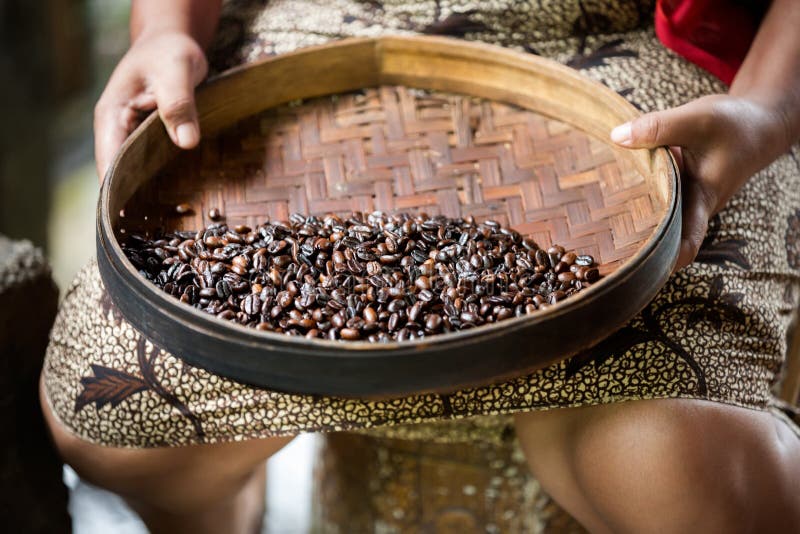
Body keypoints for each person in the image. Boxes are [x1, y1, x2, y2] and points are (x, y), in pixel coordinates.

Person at [42, 0, 800, 532]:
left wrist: (768, 110)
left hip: (649, 57)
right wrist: (165, 28)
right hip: (313, 35)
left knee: (689, 474)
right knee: (106, 418)